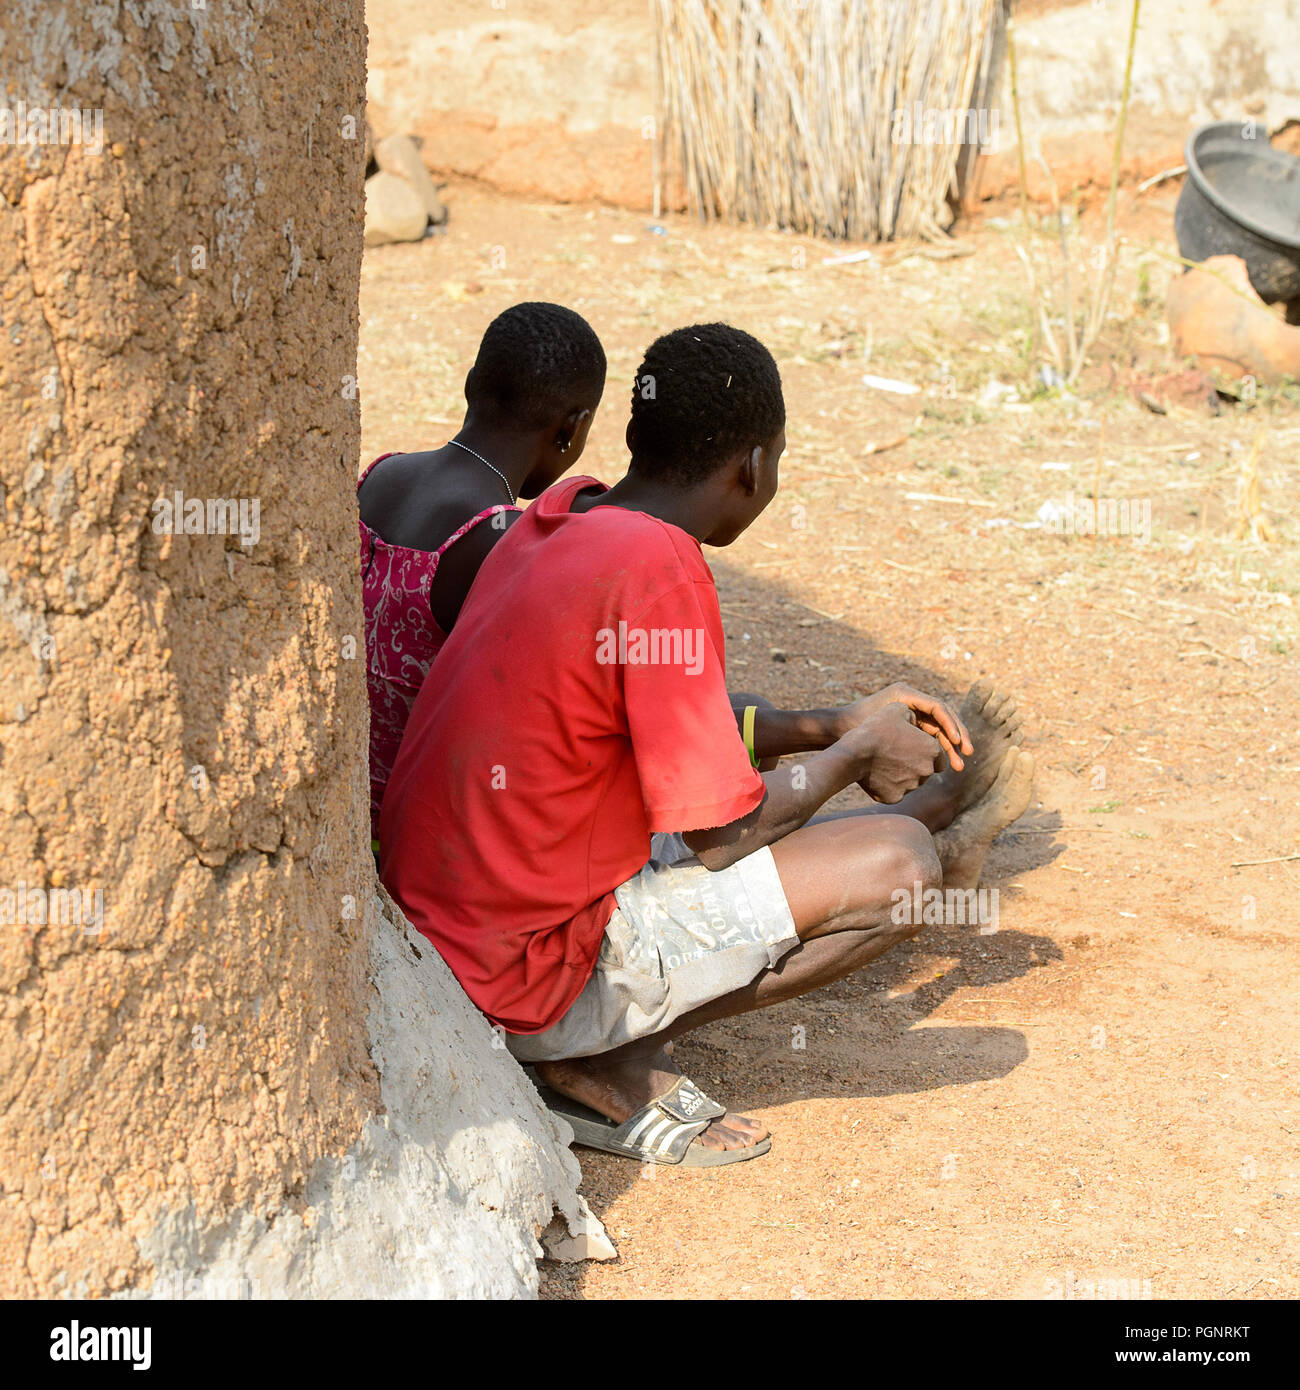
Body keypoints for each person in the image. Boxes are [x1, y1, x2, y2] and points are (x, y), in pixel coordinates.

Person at [380, 322, 1032, 1166]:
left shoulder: (552, 521)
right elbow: (722, 838)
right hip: (518, 978)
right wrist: (848, 759)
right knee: (901, 867)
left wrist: (834, 723)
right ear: (753, 467)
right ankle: (595, 1057)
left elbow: (667, 718)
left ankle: (927, 800)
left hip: (445, 930)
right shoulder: (661, 566)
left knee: (854, 823)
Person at [358, 301, 606, 843]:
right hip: (412, 836)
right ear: (572, 427)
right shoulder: (501, 539)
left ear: (472, 385)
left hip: (340, 800)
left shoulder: (379, 474)